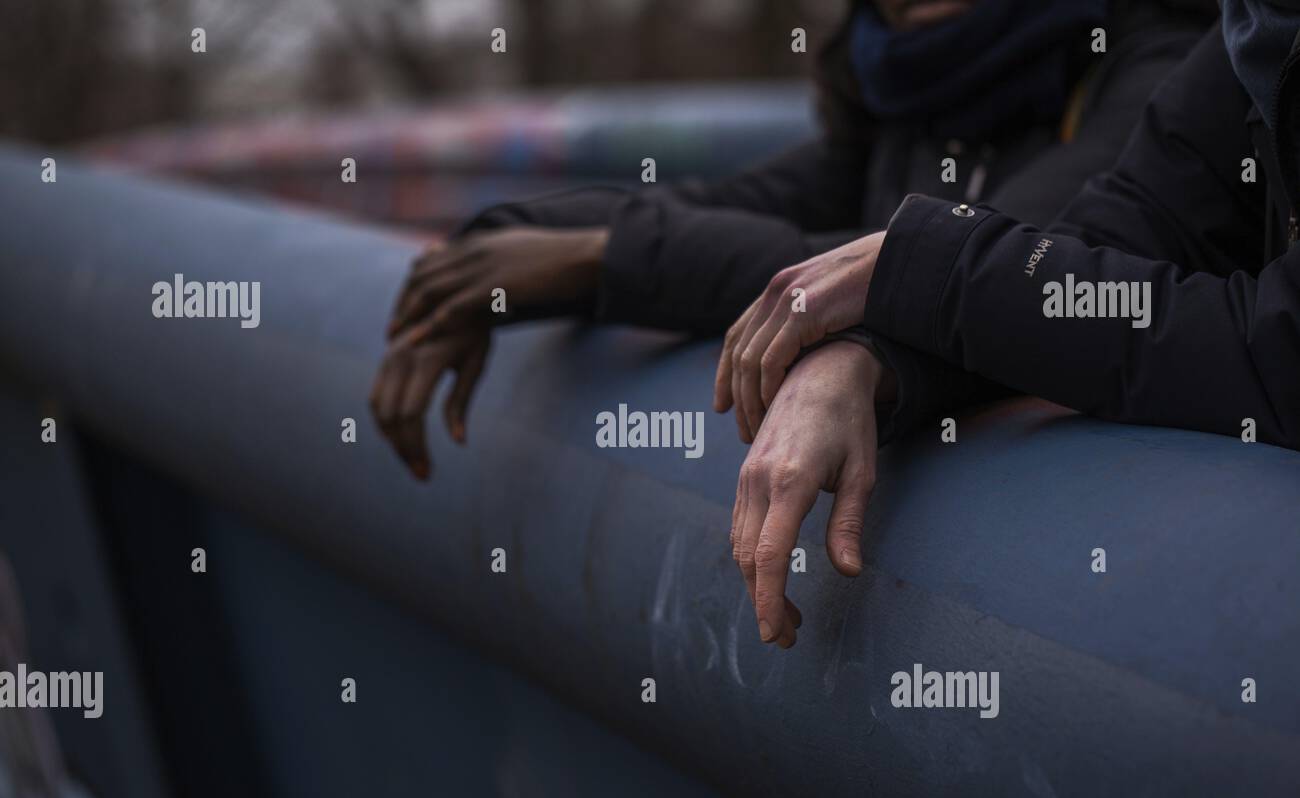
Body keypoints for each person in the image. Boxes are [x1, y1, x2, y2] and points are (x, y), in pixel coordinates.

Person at [372, 0, 1214, 499]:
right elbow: (750, 209)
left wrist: (603, 258)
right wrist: (500, 251)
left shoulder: (1164, 65)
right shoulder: (910, 84)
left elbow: (990, 263)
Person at [719, 0, 1300, 650]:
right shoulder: (1253, 25)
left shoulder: (1146, 48)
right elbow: (1129, 227)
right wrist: (867, 352)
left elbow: (1280, 348)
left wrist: (920, 272)